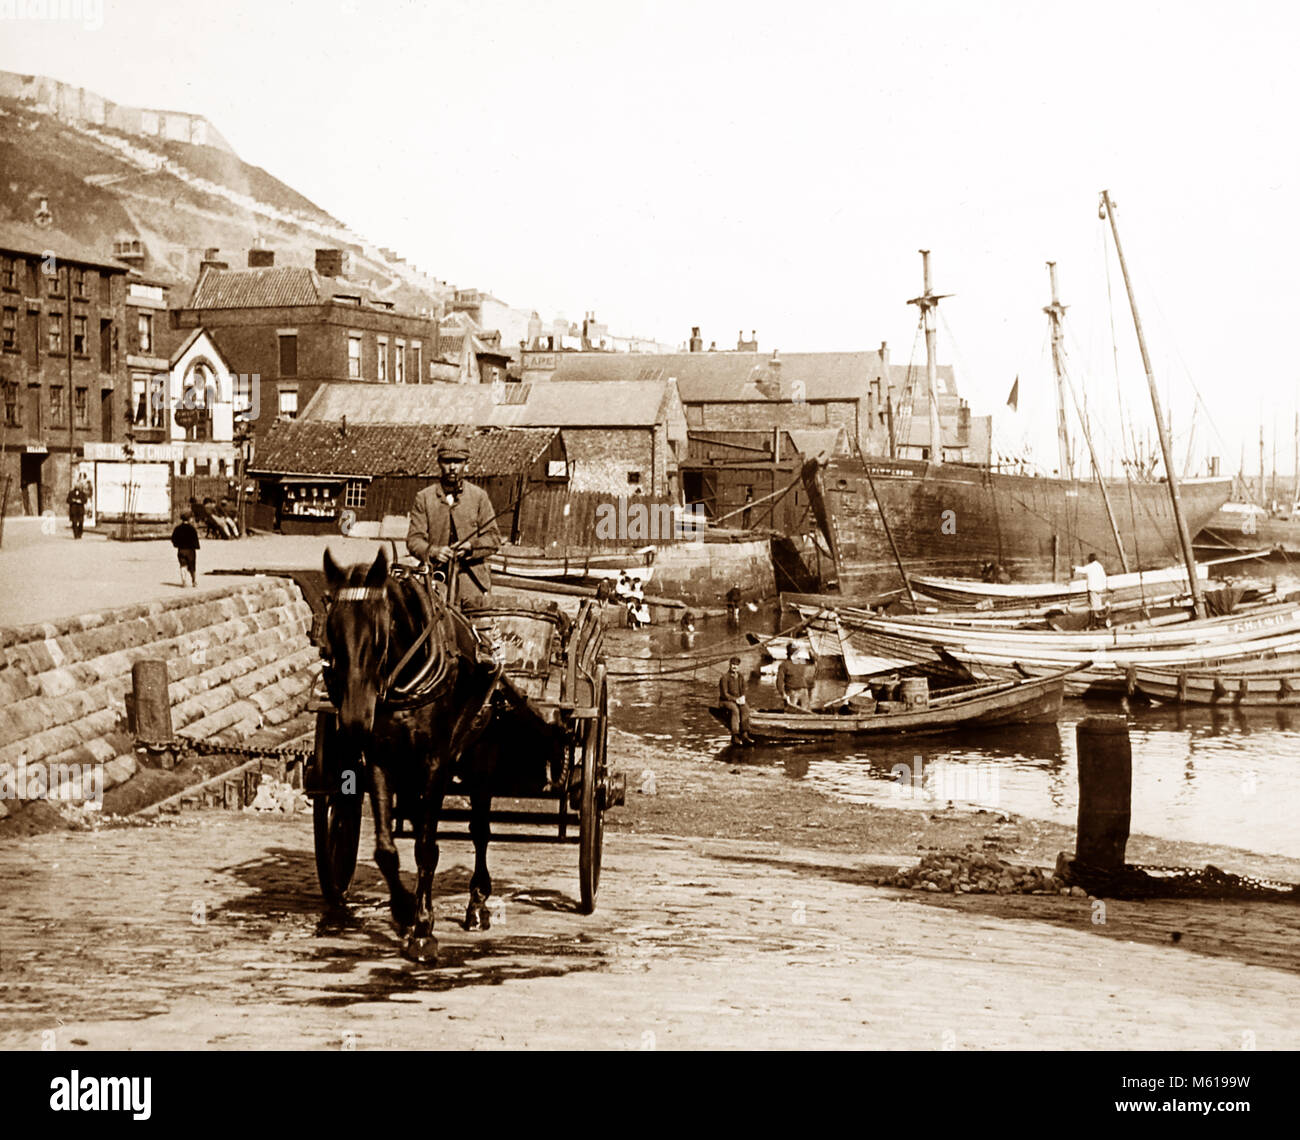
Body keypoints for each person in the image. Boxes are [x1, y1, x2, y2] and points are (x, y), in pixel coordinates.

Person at [406, 436, 502, 608]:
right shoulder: (424, 498)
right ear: (439, 463)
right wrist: (433, 551)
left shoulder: (479, 497)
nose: (452, 467)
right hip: (435, 577)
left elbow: (493, 539)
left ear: (466, 463)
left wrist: (471, 546)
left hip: (472, 580)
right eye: (447, 461)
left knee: (476, 620)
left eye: (457, 462)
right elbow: (414, 540)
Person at [718, 656, 754, 746]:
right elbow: (724, 694)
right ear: (730, 665)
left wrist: (743, 697)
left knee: (745, 709)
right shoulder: (725, 677)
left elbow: (744, 688)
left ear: (739, 666)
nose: (734, 667)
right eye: (733, 664)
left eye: (736, 665)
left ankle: (745, 734)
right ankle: (735, 735)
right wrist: (735, 700)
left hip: (737, 700)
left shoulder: (740, 676)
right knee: (735, 710)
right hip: (725, 701)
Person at [1073, 551, 1108, 628]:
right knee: (1098, 605)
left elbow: (1083, 570)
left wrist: (1074, 568)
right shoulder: (1099, 566)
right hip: (1099, 589)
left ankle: (1094, 624)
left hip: (1093, 589)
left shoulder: (1091, 566)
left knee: (1093, 607)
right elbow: (1104, 577)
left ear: (1090, 559)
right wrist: (1104, 587)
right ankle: (1099, 623)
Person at [775, 644, 815, 710]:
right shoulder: (800, 662)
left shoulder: (784, 664)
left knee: (793, 711)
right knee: (804, 711)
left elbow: (779, 681)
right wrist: (811, 653)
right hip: (796, 691)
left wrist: (782, 694)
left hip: (799, 691)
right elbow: (812, 661)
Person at [171, 511, 200, 588]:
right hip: (190, 550)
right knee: (192, 566)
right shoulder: (192, 529)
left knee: (183, 565)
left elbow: (173, 538)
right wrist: (196, 546)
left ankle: (184, 581)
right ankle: (194, 581)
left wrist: (176, 545)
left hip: (181, 550)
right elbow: (195, 539)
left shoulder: (177, 528)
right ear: (189, 519)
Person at [66, 475, 90, 540]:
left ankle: (80, 533)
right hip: (73, 510)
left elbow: (85, 500)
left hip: (80, 510)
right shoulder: (71, 493)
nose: (77, 486)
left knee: (81, 522)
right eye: (76, 485)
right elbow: (68, 500)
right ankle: (75, 534)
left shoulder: (82, 493)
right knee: (74, 522)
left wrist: (80, 501)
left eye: (78, 486)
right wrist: (73, 500)